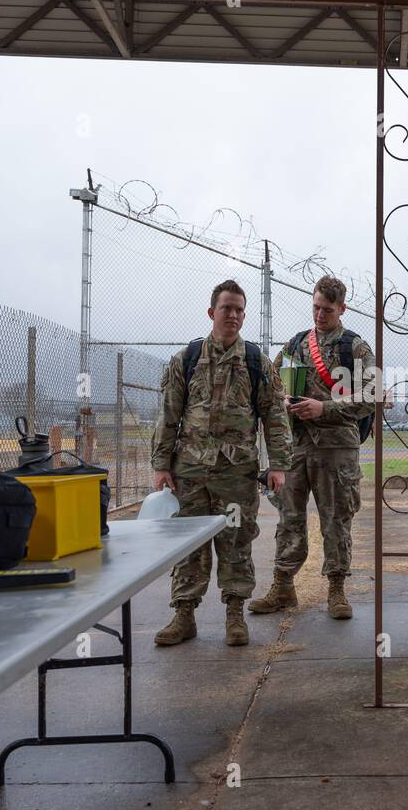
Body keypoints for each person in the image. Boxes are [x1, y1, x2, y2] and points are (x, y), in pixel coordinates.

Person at [150, 279, 292, 648]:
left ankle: (234, 616)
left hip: (236, 474)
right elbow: (169, 413)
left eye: (240, 309)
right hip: (191, 472)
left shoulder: (255, 361)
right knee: (189, 545)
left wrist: (278, 465)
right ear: (212, 312)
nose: (233, 315)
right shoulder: (187, 358)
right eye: (227, 308)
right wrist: (161, 464)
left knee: (236, 541)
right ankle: (184, 615)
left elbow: (274, 414)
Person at [250, 275, 376, 619]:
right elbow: (271, 382)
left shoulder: (356, 348)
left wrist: (325, 408)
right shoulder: (295, 345)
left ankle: (336, 589)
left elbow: (372, 395)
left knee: (336, 520)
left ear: (342, 309)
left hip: (337, 448)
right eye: (316, 307)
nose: (320, 315)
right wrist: (284, 400)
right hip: (296, 445)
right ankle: (282, 586)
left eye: (328, 310)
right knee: (289, 517)